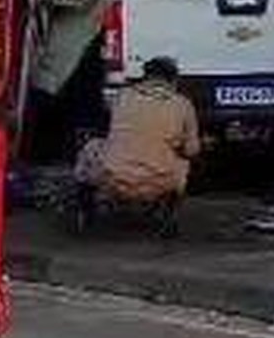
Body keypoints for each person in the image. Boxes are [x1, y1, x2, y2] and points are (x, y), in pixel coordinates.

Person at [75, 57, 201, 233]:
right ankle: (169, 218)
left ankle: (85, 211)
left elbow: (109, 130)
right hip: (160, 182)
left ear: (145, 76)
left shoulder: (122, 96)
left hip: (111, 178)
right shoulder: (183, 104)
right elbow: (192, 150)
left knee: (90, 147)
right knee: (183, 163)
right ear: (173, 80)